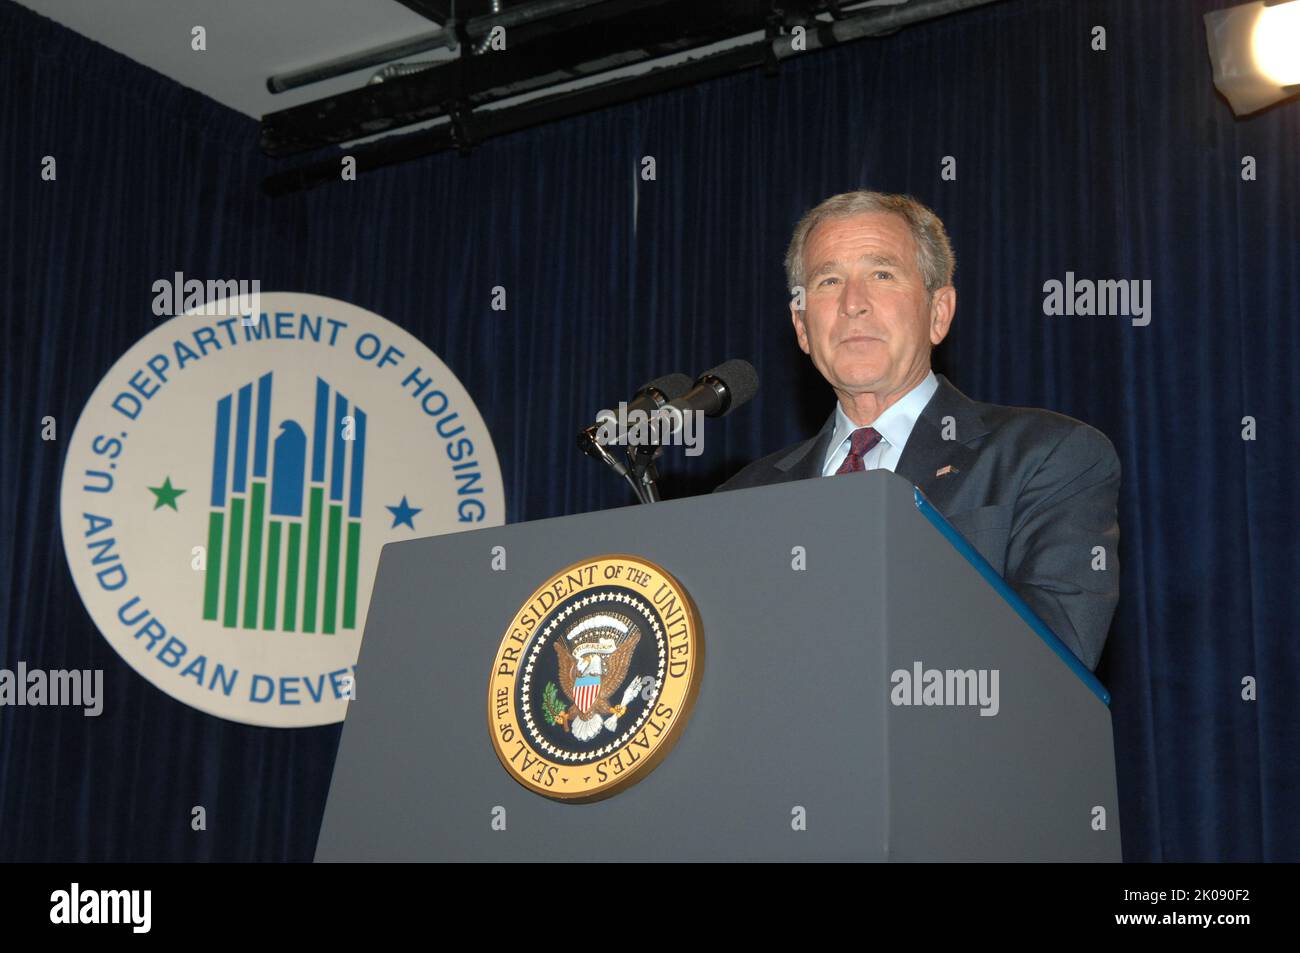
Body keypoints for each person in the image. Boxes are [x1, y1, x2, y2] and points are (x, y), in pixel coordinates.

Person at [717, 191, 1120, 671]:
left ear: (939, 312)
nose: (852, 304)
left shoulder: (1048, 455)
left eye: (882, 274)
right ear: (802, 326)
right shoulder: (743, 496)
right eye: (828, 280)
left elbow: (1055, 656)